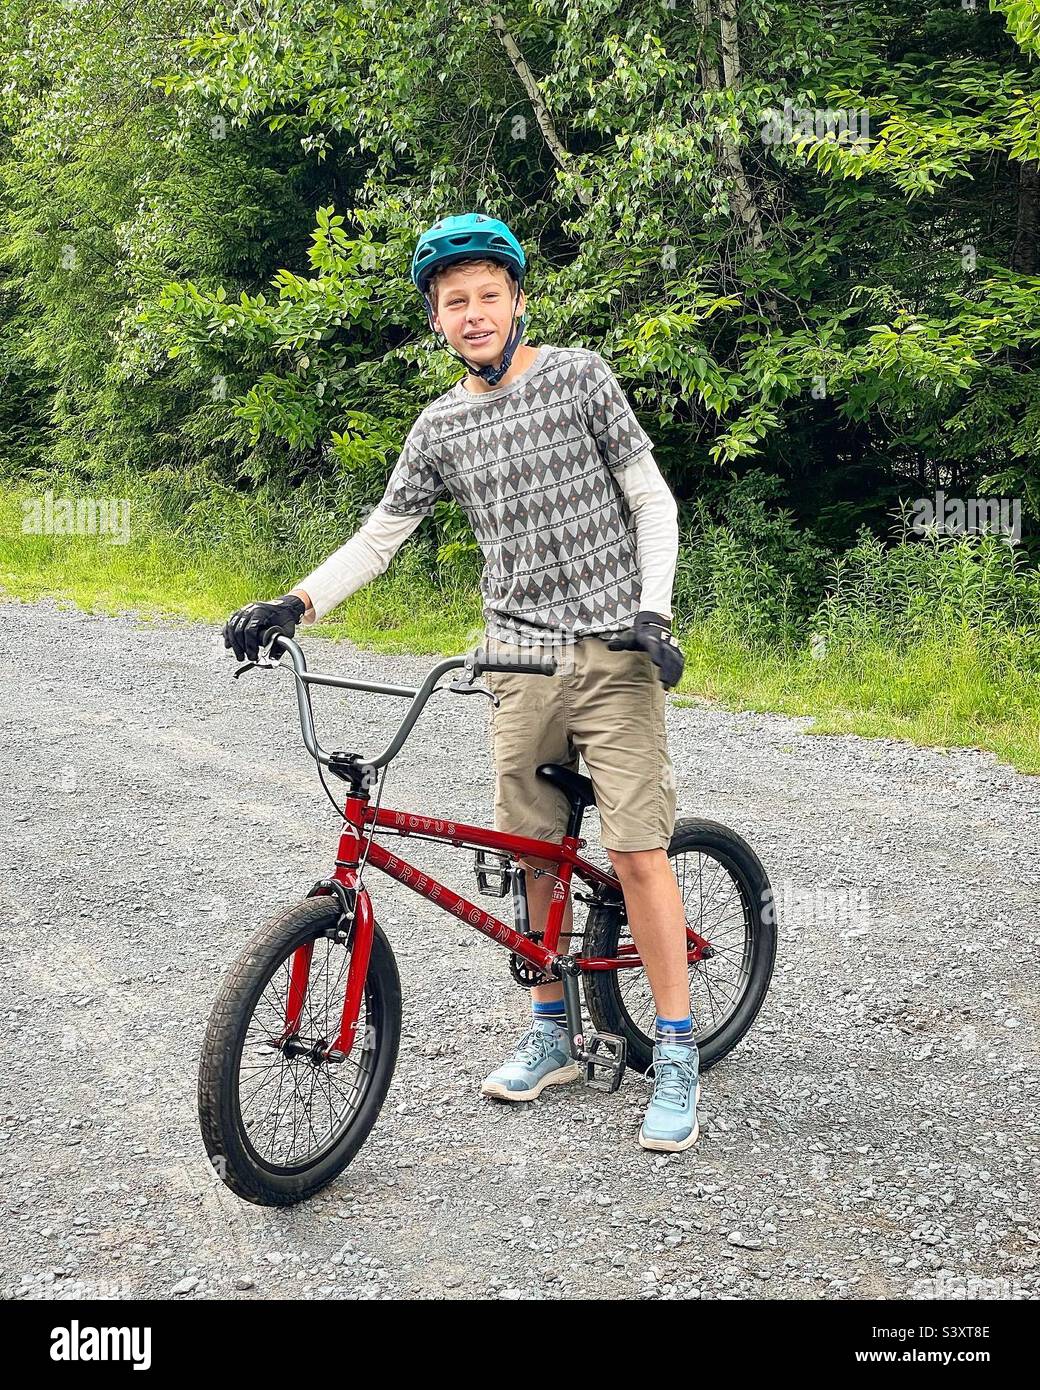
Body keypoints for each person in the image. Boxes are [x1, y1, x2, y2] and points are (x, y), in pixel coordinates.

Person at [224, 213, 700, 1151]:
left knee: (639, 851)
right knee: (528, 855)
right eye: (455, 303)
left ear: (518, 301)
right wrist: (294, 603)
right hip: (515, 663)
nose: (473, 313)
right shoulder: (439, 425)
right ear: (437, 320)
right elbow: (380, 536)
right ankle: (551, 1031)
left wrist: (655, 610)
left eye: (488, 295)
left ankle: (676, 1054)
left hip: (614, 652)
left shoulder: (580, 377)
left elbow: (652, 497)